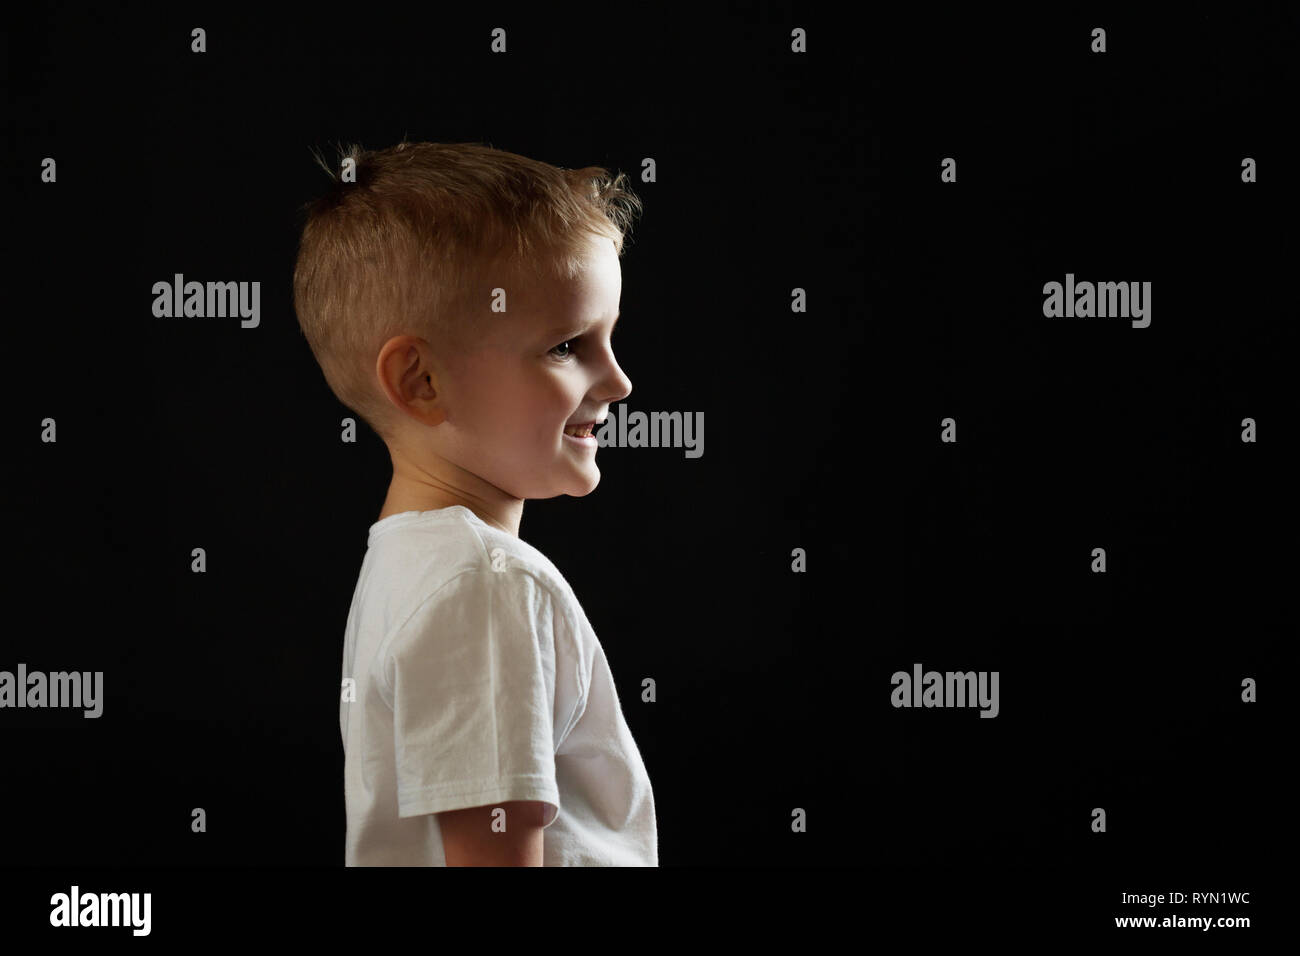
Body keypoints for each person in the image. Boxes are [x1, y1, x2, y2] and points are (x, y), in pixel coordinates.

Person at [292, 140, 656, 865]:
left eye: (608, 340)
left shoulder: (408, 563)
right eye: (565, 347)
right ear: (422, 381)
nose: (617, 382)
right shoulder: (485, 586)